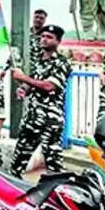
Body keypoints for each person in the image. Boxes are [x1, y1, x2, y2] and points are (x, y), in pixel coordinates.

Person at [10, 24, 73, 176]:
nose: (44, 39)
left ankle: (59, 195)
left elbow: (49, 86)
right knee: (18, 161)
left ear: (58, 42)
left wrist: (22, 77)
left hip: (49, 122)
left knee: (53, 165)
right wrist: (24, 89)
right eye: (43, 36)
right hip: (32, 119)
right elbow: (35, 84)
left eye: (49, 37)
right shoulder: (38, 61)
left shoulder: (62, 63)